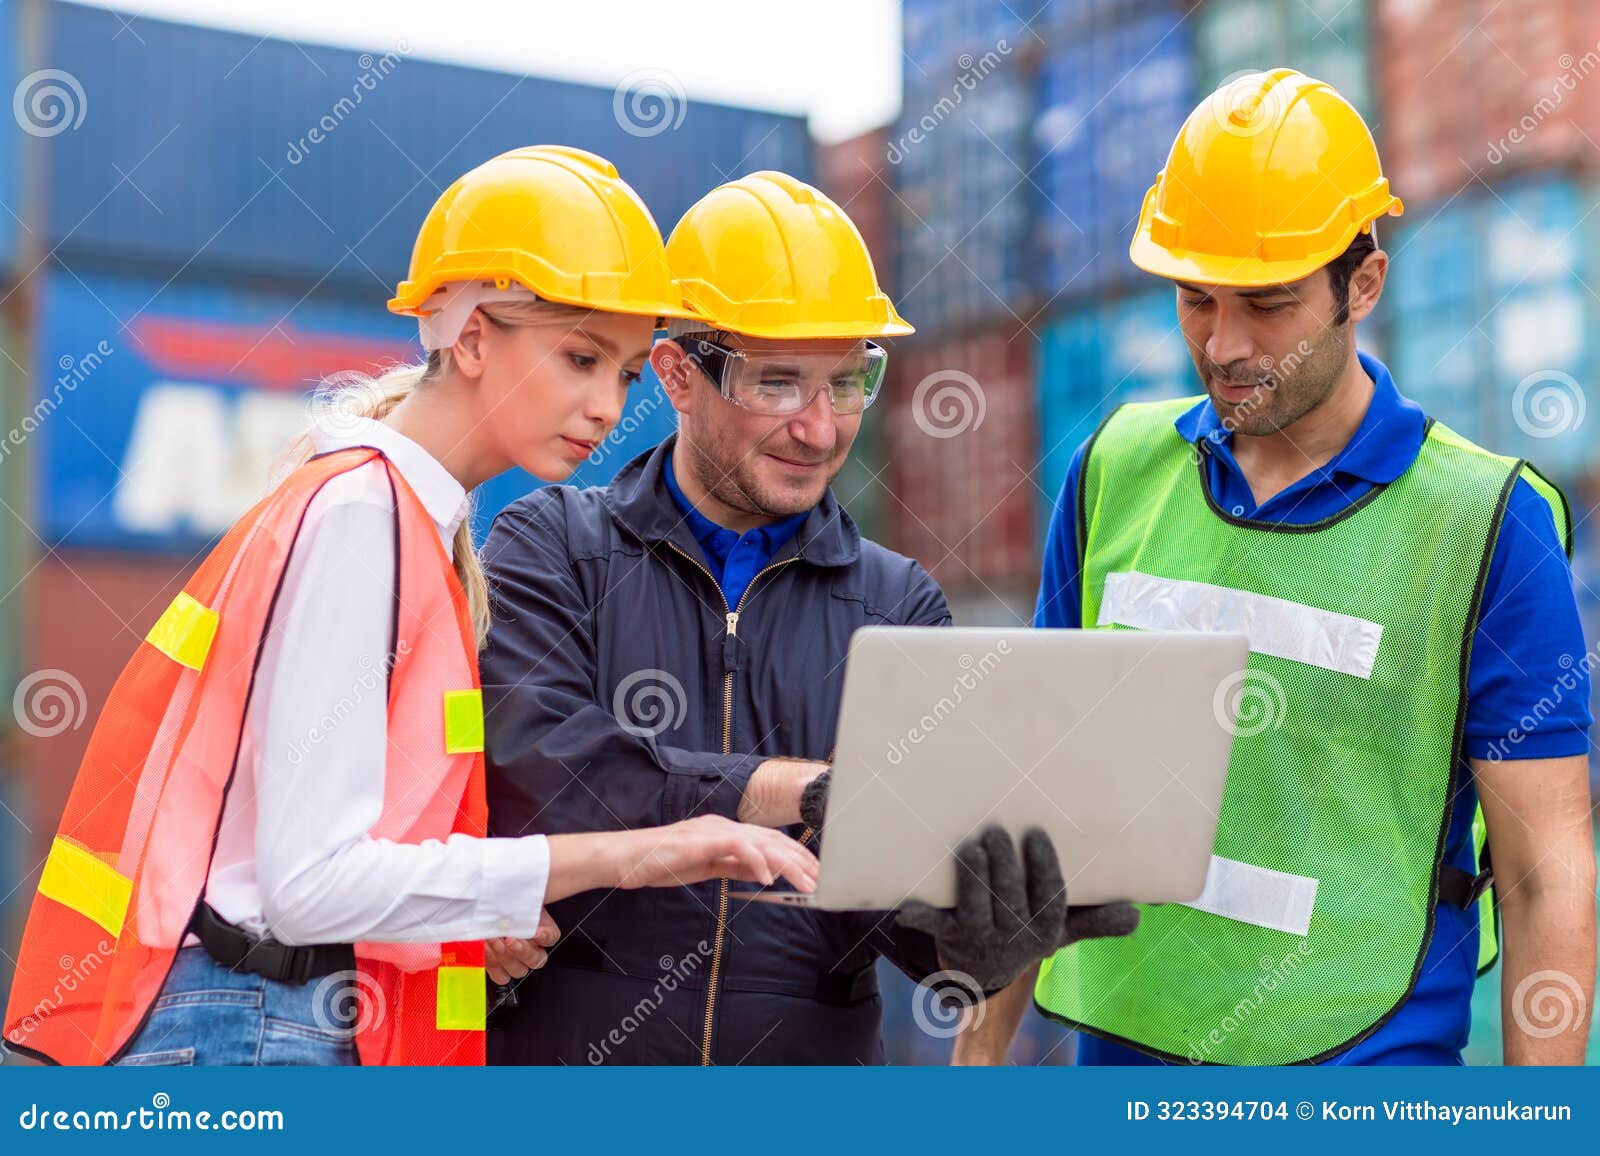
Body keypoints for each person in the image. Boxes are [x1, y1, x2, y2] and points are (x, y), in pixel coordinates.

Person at [1, 146, 816, 1068]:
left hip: (269, 1021)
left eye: (626, 374)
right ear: (471, 340)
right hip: (259, 1031)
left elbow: (325, 866)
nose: (605, 405)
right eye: (581, 358)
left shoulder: (401, 519)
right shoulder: (364, 516)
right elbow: (309, 887)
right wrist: (640, 852)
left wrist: (469, 917)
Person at [956, 70, 1596, 1067]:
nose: (1223, 345)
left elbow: (1543, 874)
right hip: (1119, 1068)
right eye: (1195, 300)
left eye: (1267, 304)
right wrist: (971, 1070)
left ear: (1363, 285)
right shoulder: (1112, 470)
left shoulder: (1486, 523)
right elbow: (1035, 798)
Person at [479, 170, 1137, 1065]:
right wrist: (795, 790)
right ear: (678, 373)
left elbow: (896, 913)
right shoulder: (552, 548)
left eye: (847, 382)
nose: (820, 430)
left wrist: (979, 942)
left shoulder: (895, 608)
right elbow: (546, 781)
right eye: (780, 383)